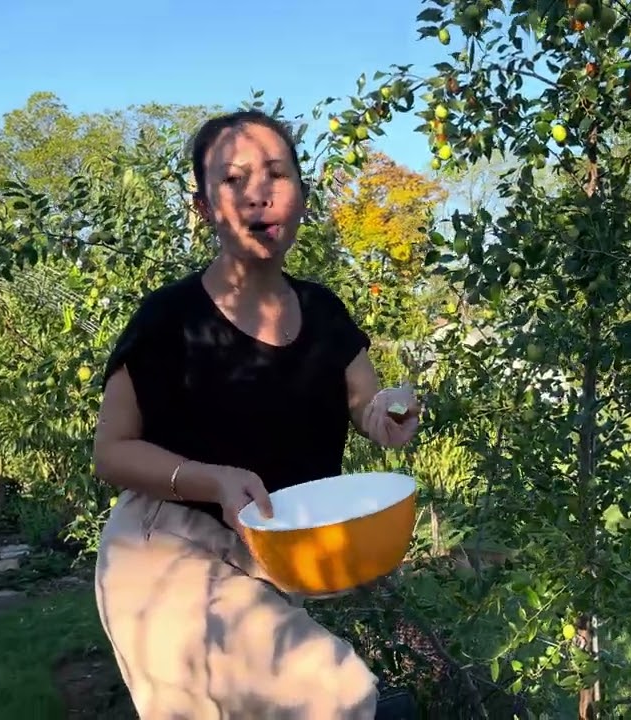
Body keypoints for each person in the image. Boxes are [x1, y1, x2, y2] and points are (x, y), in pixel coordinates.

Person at [91, 109, 421, 719]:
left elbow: (365, 407)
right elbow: (111, 450)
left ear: (301, 195)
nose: (259, 192)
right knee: (334, 695)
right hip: (164, 548)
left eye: (276, 172)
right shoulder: (170, 318)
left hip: (263, 554)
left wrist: (389, 412)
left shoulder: (324, 313)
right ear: (205, 209)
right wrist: (212, 478)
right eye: (233, 179)